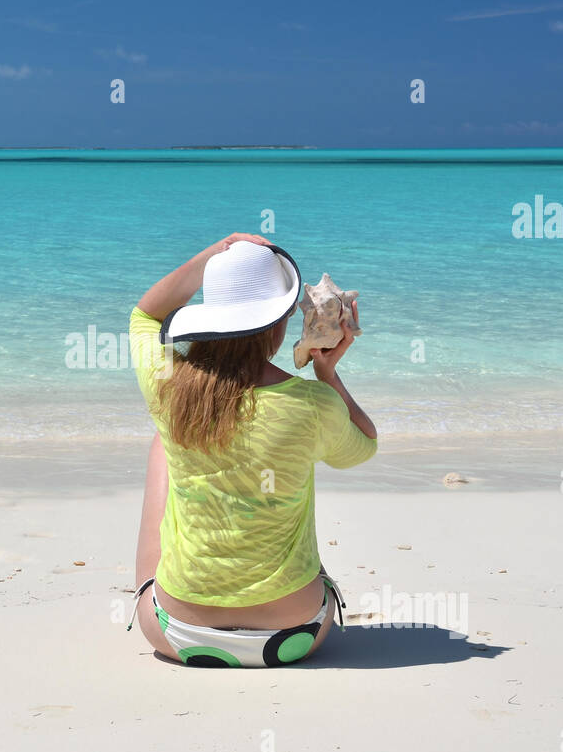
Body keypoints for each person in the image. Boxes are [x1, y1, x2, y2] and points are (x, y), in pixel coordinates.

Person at [127, 233, 377, 667]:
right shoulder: (313, 406)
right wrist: (327, 375)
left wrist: (213, 254)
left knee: (165, 440)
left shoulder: (167, 386)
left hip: (178, 633)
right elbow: (364, 445)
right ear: (280, 324)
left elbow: (145, 315)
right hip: (295, 635)